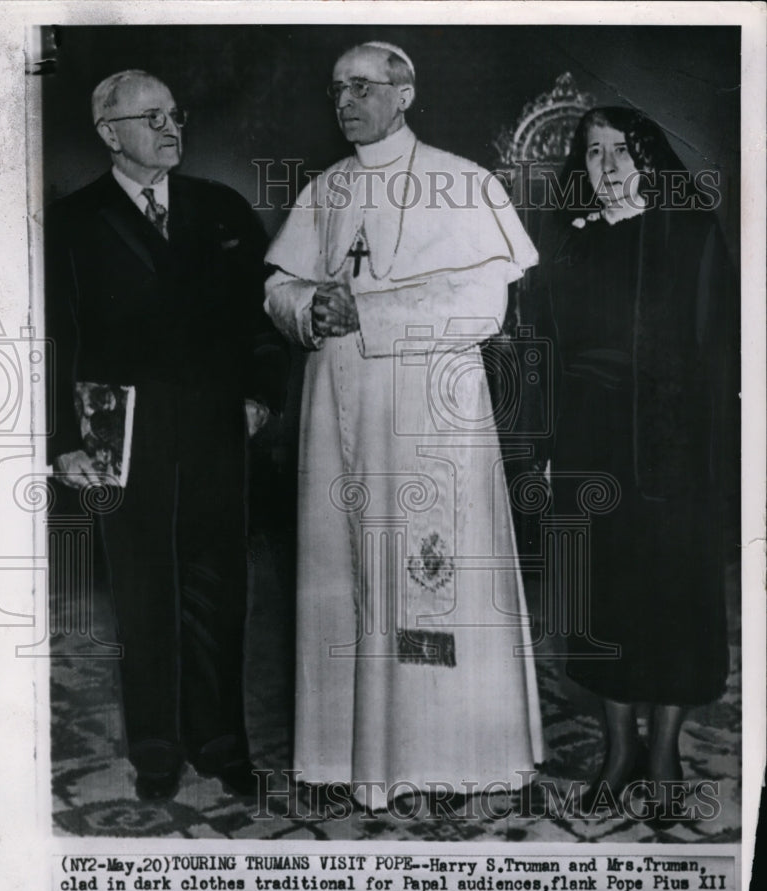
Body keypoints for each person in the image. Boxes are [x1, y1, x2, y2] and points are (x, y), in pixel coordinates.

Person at [264, 41, 544, 810]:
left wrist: (368, 310)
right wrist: (306, 307)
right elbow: (280, 284)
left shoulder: (462, 183)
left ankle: (448, 758)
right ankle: (345, 755)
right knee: (345, 578)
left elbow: (483, 307)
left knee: (432, 582)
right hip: (336, 409)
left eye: (361, 87)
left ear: (405, 93)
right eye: (336, 90)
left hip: (430, 417)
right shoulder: (324, 188)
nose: (344, 102)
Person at [45, 70, 286, 801]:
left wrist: (260, 395)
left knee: (219, 587)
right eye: (149, 118)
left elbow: (260, 315)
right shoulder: (71, 221)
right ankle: (156, 750)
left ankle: (221, 743)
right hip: (118, 429)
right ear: (108, 133)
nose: (170, 127)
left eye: (173, 114)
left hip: (215, 425)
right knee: (143, 590)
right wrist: (62, 440)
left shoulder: (221, 207)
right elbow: (54, 336)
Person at [540, 107, 738, 818]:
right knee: (602, 602)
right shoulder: (570, 239)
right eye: (592, 152)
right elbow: (545, 348)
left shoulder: (691, 232)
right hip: (589, 451)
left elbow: (722, 354)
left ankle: (664, 756)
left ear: (648, 157)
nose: (607, 165)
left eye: (620, 150)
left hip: (673, 453)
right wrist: (545, 451)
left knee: (674, 604)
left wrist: (718, 464)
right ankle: (620, 750)